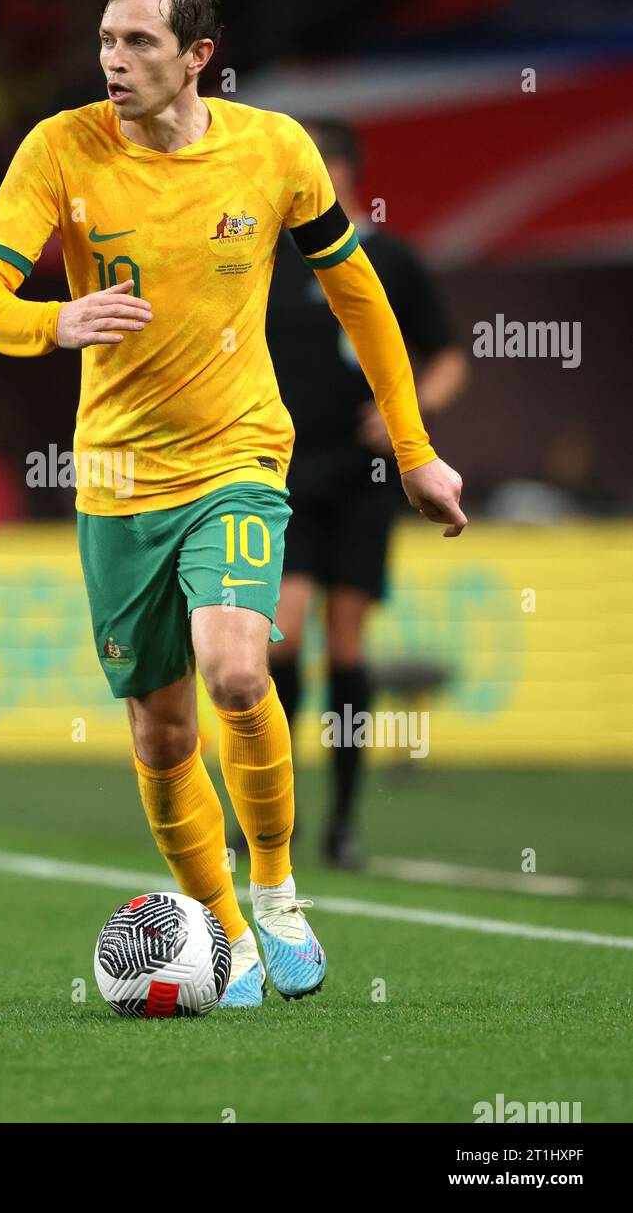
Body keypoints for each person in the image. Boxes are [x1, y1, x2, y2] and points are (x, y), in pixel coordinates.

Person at [0, 0, 466, 1008]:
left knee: (238, 669)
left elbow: (357, 291)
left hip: (238, 455)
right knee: (161, 731)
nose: (113, 59)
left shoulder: (272, 149)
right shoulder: (59, 147)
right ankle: (224, 934)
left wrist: (413, 448)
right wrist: (54, 320)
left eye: (140, 43)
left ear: (198, 57)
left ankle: (275, 888)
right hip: (112, 476)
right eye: (105, 39)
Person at [265, 119, 469, 869]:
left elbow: (448, 360)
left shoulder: (387, 259)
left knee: (345, 641)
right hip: (280, 470)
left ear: (341, 172)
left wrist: (408, 414)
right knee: (280, 631)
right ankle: (270, 814)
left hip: (361, 478)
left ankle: (343, 820)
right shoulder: (266, 258)